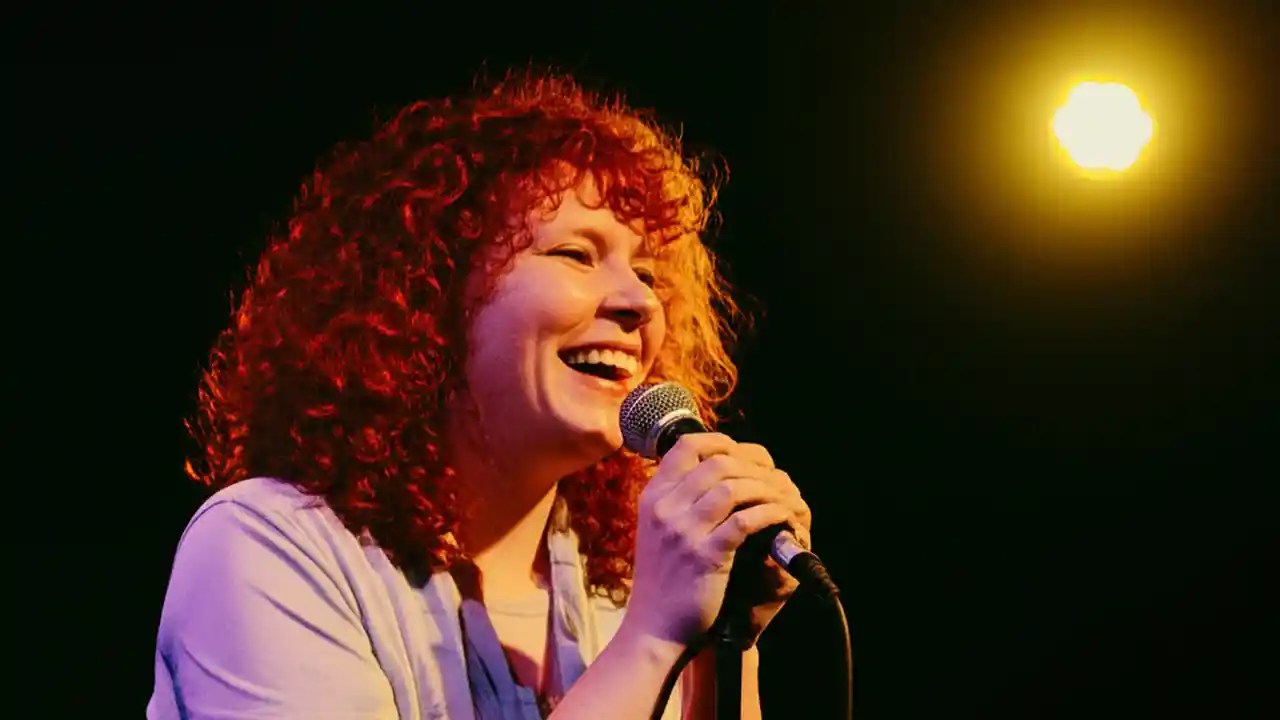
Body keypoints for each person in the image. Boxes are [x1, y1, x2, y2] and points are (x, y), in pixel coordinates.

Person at [147, 68, 813, 720]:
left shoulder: (626, 590)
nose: (640, 301)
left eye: (645, 271)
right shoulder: (268, 549)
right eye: (576, 255)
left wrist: (723, 644)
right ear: (429, 297)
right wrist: (652, 644)